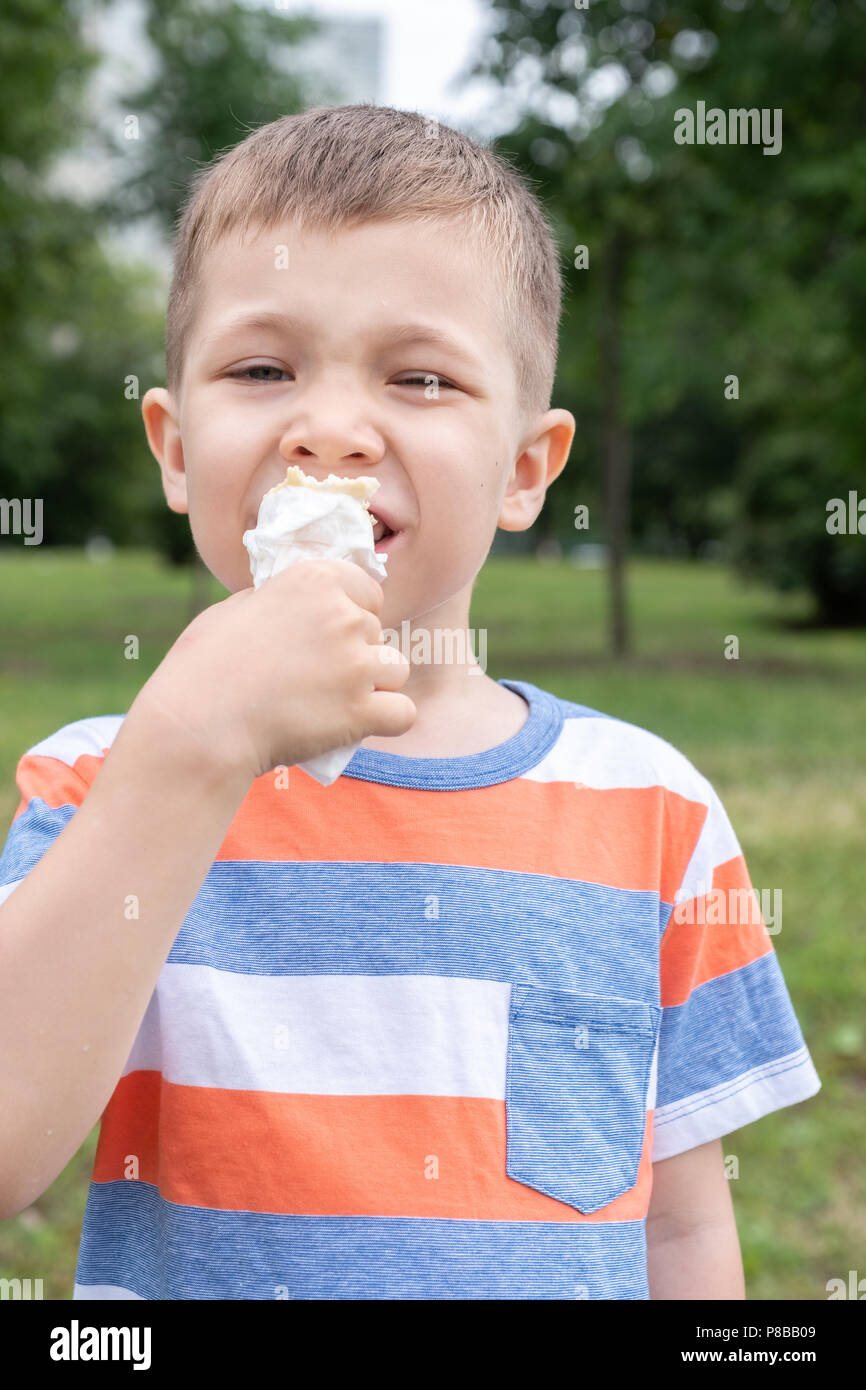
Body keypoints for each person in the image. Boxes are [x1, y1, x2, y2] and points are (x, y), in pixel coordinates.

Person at [0, 105, 820, 1300]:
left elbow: (683, 1233)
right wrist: (185, 752)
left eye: (420, 376)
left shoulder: (651, 813)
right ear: (175, 449)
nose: (328, 432)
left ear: (525, 468)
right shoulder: (101, 784)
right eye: (262, 369)